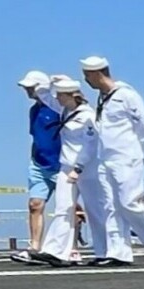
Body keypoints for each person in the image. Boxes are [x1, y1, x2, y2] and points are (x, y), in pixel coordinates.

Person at [79, 55, 144, 266]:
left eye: (87, 76)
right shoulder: (102, 97)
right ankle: (118, 252)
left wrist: (137, 152)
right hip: (105, 158)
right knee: (110, 206)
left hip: (126, 157)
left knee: (129, 202)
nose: (86, 80)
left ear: (97, 73)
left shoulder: (126, 95)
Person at [34, 79, 94, 267]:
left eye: (60, 94)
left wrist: (79, 167)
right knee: (63, 209)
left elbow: (90, 145)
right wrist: (51, 82)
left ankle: (108, 251)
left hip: (85, 167)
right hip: (66, 166)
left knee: (96, 210)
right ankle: (56, 251)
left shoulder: (87, 115)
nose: (57, 98)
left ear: (70, 95)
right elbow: (43, 94)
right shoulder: (64, 110)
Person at [10, 71, 61, 264]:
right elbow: (35, 137)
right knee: (35, 205)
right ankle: (35, 246)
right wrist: (34, 159)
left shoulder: (58, 108)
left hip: (60, 165)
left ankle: (71, 247)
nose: (27, 91)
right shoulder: (33, 111)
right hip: (39, 164)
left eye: (31, 87)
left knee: (71, 208)